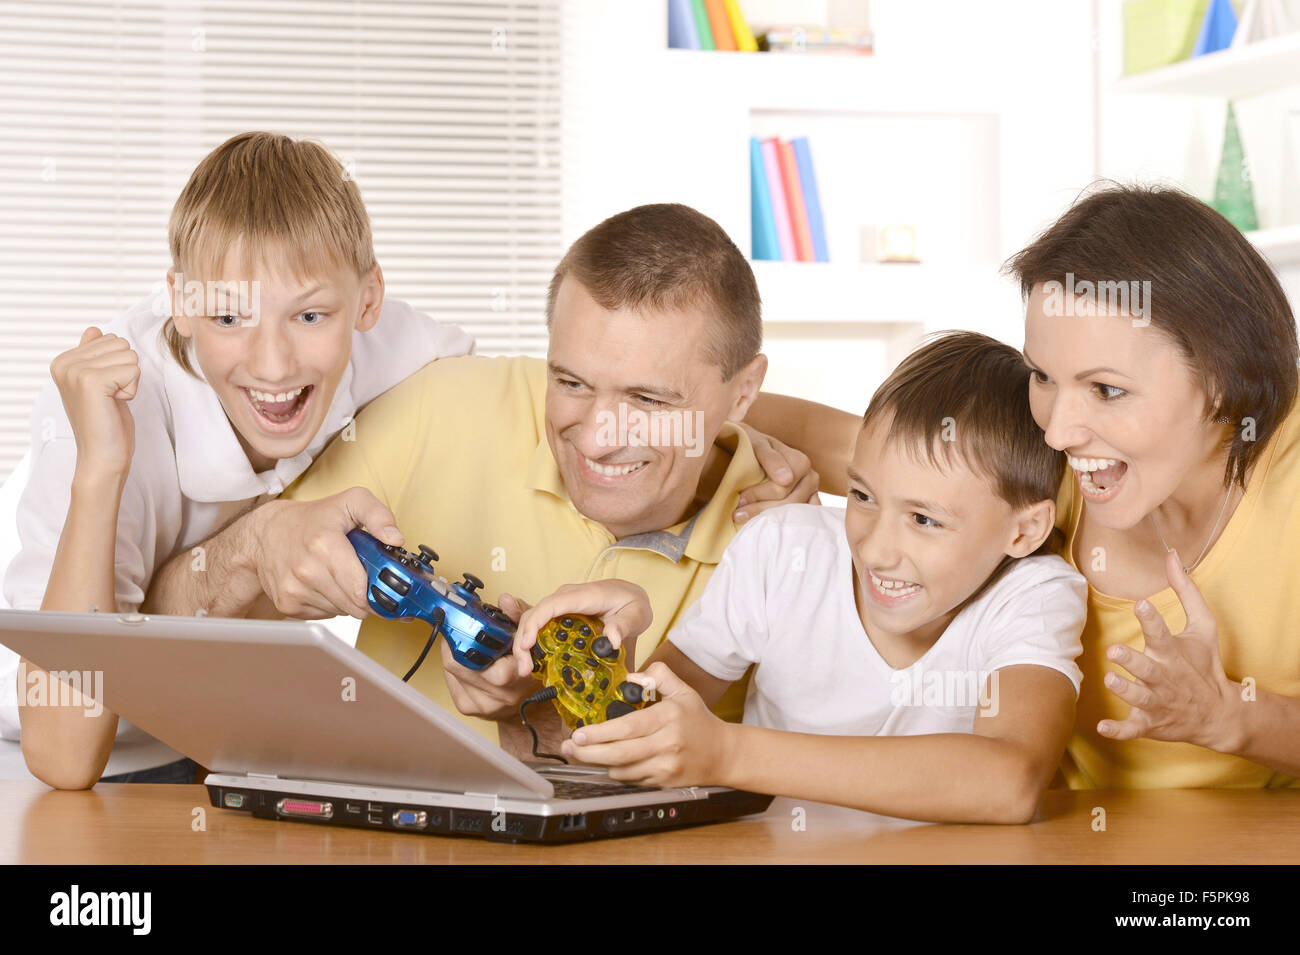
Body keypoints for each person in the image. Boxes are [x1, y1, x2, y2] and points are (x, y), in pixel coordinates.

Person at [140, 202, 857, 759]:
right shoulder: (445, 408)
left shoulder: (783, 537)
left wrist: (528, 715)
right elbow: (158, 644)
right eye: (571, 381)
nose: (599, 435)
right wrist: (253, 544)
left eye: (647, 400)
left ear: (742, 394)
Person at [5, 131, 476, 789]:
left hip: (221, 740)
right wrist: (100, 469)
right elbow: (62, 754)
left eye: (309, 315)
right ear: (180, 301)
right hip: (65, 756)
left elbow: (505, 406)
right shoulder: (100, 418)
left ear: (368, 298)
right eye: (228, 317)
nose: (274, 364)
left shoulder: (399, 348)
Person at [522, 331, 1088, 823]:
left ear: (1023, 531)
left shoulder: (1035, 595)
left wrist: (727, 753)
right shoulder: (782, 549)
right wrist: (611, 658)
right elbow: (641, 738)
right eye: (863, 496)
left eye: (924, 519)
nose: (876, 549)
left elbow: (1008, 782)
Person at [1008, 183, 1300, 788]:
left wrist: (1227, 716)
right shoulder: (1028, 466)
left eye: (1107, 390)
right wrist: (763, 450)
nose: (1059, 433)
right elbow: (831, 437)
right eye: (1041, 376)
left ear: (1220, 380)